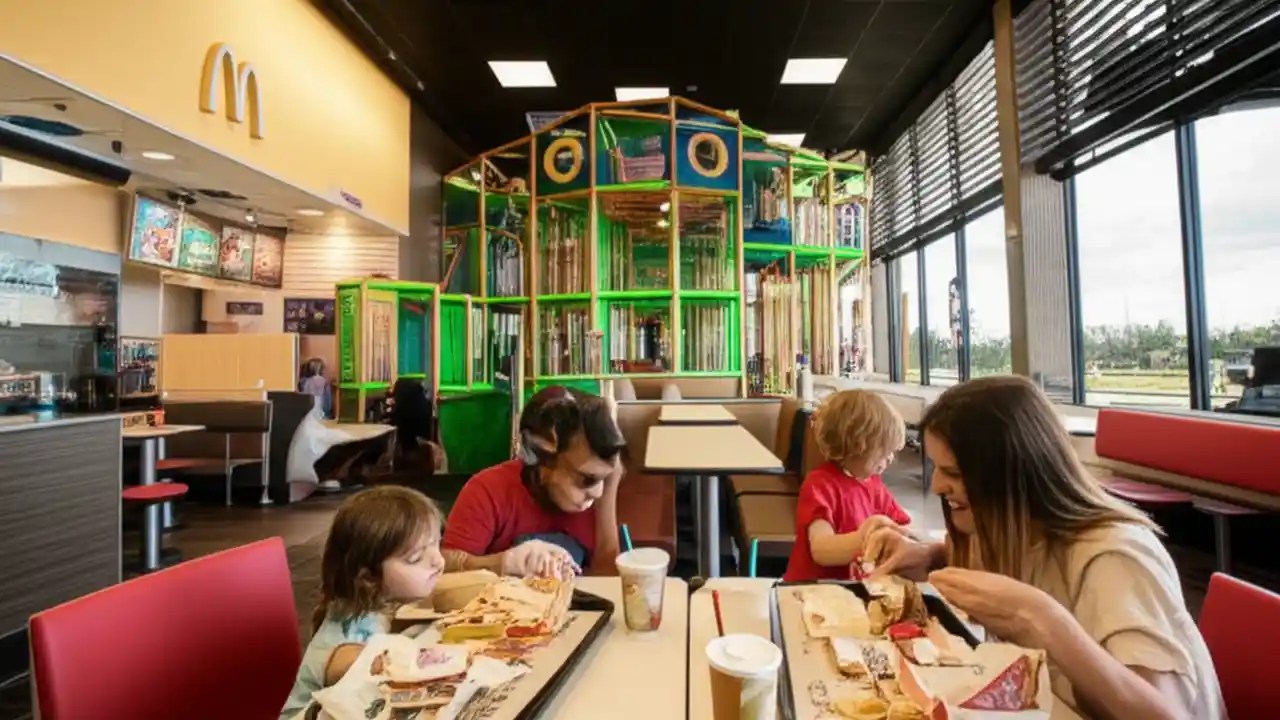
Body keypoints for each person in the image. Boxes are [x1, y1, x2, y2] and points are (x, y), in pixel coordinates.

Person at [866, 376, 1223, 719]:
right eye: (937, 470)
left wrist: (1044, 621)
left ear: (1015, 473)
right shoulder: (1010, 532)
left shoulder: (1114, 556)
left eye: (955, 474)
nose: (937, 488)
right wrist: (930, 556)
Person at [280, 486, 445, 719]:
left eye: (438, 543)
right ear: (368, 577)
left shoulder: (374, 604)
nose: (438, 561)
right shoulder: (345, 651)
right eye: (415, 558)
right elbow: (367, 667)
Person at [442, 386, 624, 578]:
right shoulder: (489, 489)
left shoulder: (599, 495)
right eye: (586, 479)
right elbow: (444, 565)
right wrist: (501, 563)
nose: (597, 493)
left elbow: (607, 575)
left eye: (604, 478)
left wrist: (610, 489)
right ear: (542, 462)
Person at [782, 390, 911, 581]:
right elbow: (821, 550)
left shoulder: (874, 485)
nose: (890, 458)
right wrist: (866, 539)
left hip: (850, 589)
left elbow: (902, 526)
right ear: (858, 445)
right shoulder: (820, 485)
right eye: (884, 450)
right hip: (813, 590)